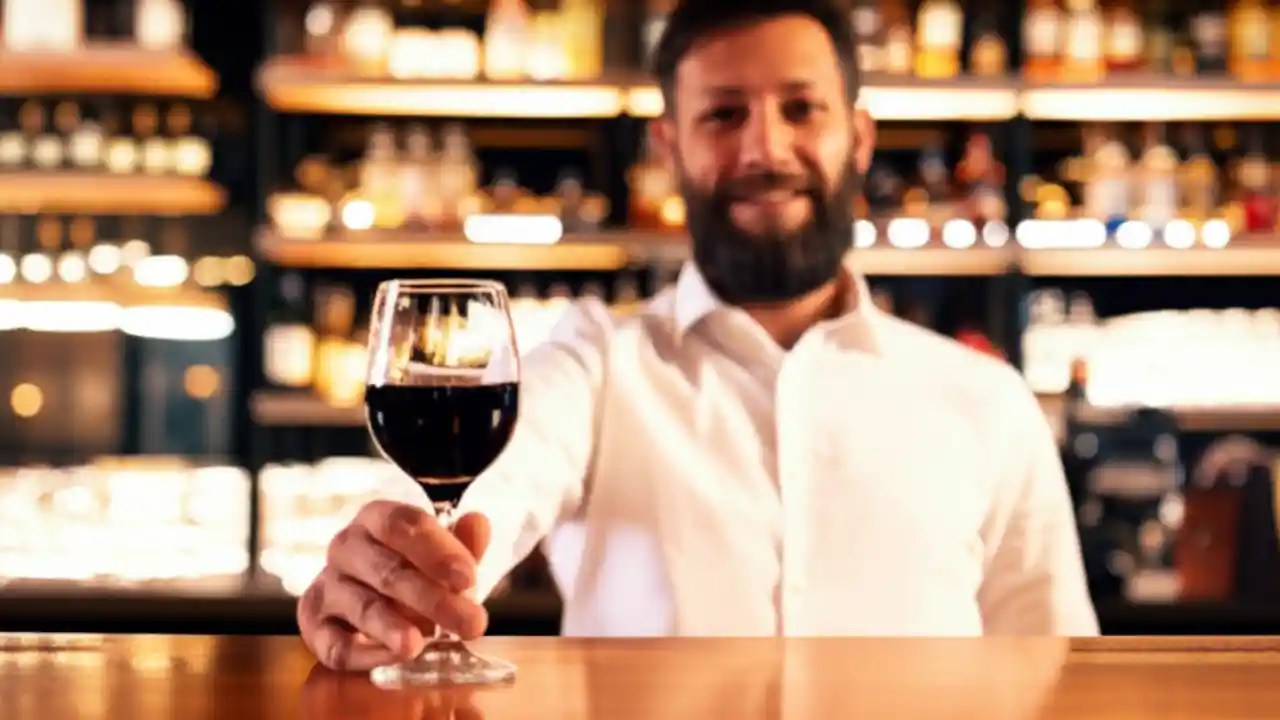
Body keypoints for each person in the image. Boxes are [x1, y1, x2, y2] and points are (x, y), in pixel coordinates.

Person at [300, 0, 1100, 671]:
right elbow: (503, 480)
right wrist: (397, 564)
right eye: (723, 114)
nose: (765, 148)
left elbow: (1058, 673)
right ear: (669, 146)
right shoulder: (597, 363)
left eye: (801, 108)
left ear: (857, 137)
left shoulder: (986, 400)